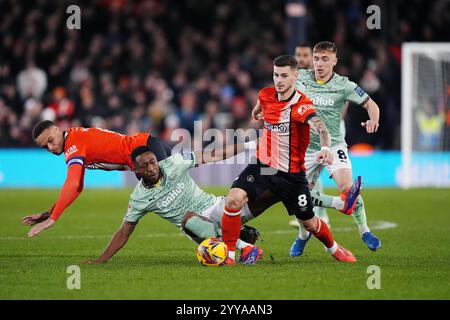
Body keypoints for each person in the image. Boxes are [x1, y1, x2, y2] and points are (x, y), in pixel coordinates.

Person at [220, 54, 357, 266]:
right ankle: (228, 256)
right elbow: (260, 104)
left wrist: (325, 148)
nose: (279, 80)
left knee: (309, 223)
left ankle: (334, 248)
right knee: (233, 199)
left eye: (284, 75)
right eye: (276, 75)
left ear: (295, 76)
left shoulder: (302, 105)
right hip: (264, 166)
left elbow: (321, 128)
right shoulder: (266, 95)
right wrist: (256, 114)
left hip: (291, 174)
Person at [82, 143, 263, 265]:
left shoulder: (174, 163)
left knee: (269, 195)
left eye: (153, 162)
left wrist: (248, 145)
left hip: (217, 207)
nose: (151, 168)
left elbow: (211, 155)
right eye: (144, 166)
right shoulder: (139, 198)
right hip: (198, 229)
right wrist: (100, 260)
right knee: (187, 218)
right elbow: (124, 232)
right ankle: (245, 246)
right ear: (136, 170)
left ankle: (238, 235)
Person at [289, 41, 381, 254]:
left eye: (324, 59)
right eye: (316, 58)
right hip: (306, 148)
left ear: (334, 61)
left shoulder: (344, 85)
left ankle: (365, 230)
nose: (319, 63)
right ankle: (303, 235)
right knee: (299, 196)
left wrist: (373, 120)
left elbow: (371, 104)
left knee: (347, 189)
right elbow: (280, 86)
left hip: (333, 146)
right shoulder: (301, 77)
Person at [22, 121, 172, 237]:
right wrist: (50, 212)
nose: (50, 147)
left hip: (146, 152)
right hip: (147, 150)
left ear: (57, 129)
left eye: (50, 140)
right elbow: (78, 187)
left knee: (169, 198)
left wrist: (53, 218)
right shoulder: (74, 139)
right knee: (171, 195)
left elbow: (72, 183)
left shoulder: (73, 145)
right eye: (45, 147)